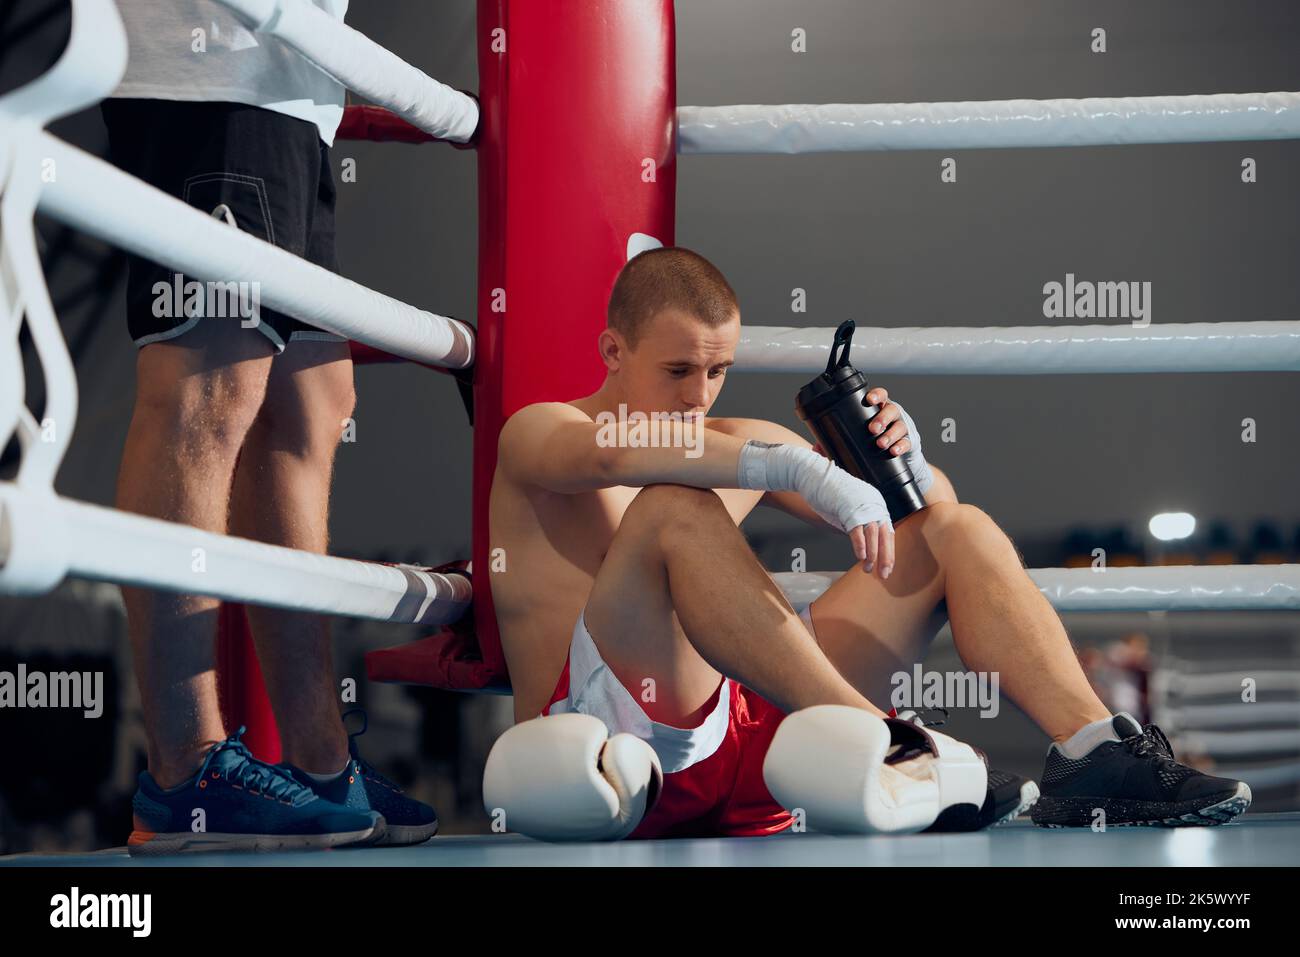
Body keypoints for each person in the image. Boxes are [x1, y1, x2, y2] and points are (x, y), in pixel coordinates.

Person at [484, 246, 1251, 837]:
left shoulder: (735, 438)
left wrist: (905, 464)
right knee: (674, 508)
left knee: (956, 528)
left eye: (717, 370)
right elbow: (615, 457)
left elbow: (920, 529)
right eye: (678, 368)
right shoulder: (543, 431)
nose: (699, 394)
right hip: (615, 757)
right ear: (613, 351)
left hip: (752, 746)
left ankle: (1094, 756)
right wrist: (783, 463)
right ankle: (894, 742)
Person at [101, 0, 435, 854]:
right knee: (205, 389)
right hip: (210, 75)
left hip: (291, 87)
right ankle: (186, 771)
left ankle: (322, 763)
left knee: (309, 402)